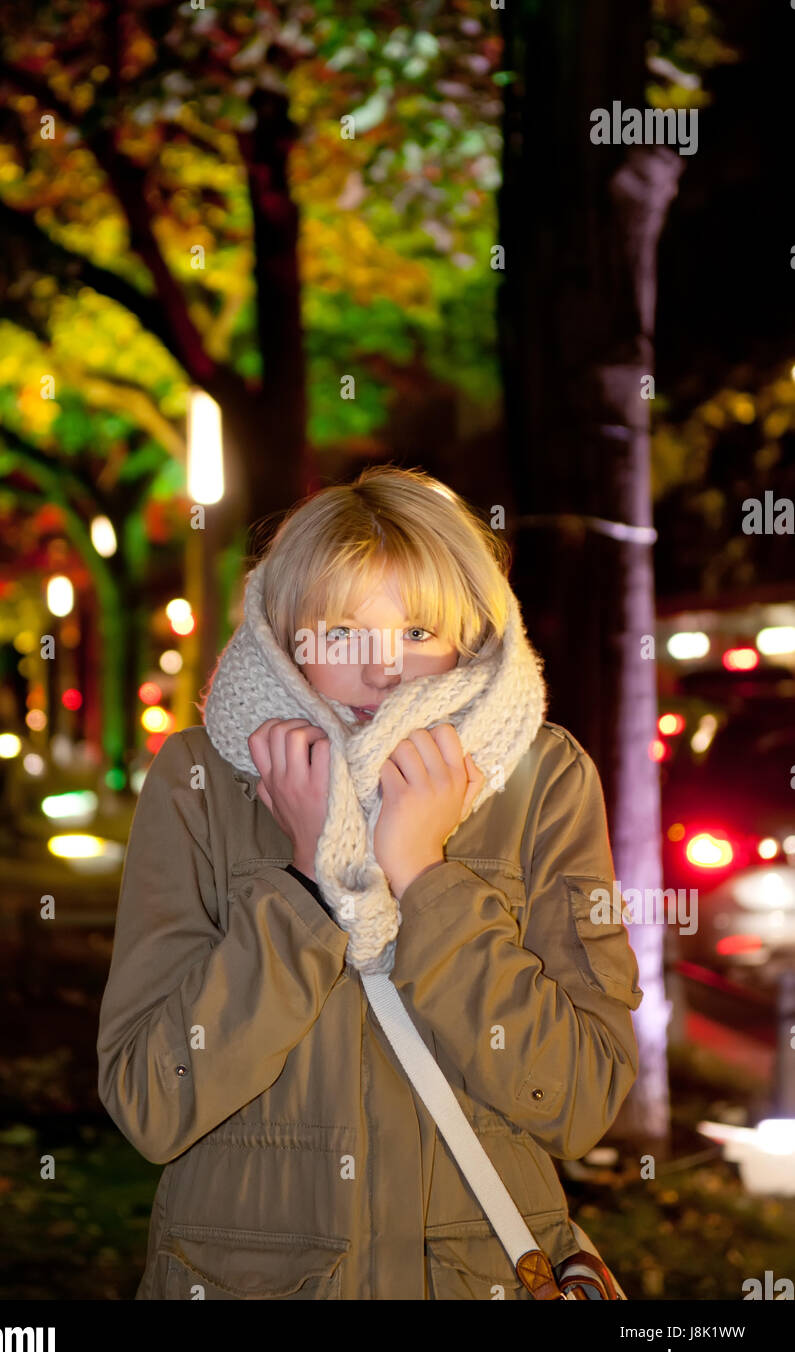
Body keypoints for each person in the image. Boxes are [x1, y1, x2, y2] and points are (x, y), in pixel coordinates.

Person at [96, 465, 643, 1300]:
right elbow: (151, 1101)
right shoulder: (199, 780)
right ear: (285, 635)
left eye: (420, 630)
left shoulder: (543, 779)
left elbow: (574, 1100)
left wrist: (425, 875)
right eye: (342, 632)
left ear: (473, 633)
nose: (385, 670)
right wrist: (308, 886)